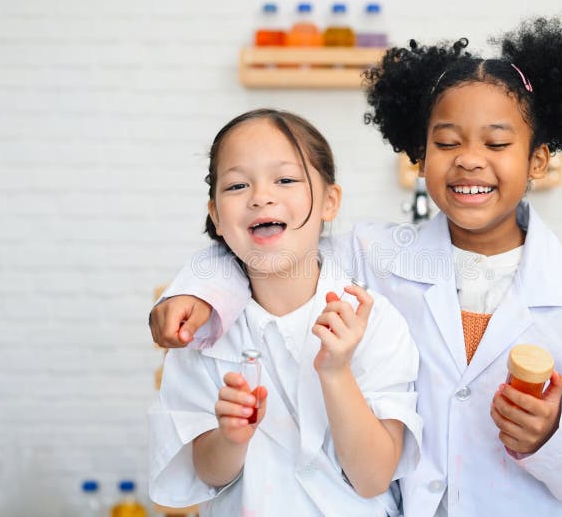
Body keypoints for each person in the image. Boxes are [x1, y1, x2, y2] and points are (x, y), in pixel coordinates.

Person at [150, 17, 562, 516]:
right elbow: (269, 247)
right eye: (446, 143)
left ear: (538, 161)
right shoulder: (375, 255)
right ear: (419, 157)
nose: (469, 160)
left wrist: (555, 431)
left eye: (498, 144)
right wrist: (196, 293)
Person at [148, 109, 422, 516]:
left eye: (286, 179)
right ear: (217, 217)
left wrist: (336, 371)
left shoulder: (375, 321)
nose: (261, 196)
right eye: (238, 185)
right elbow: (208, 472)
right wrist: (231, 437)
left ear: (330, 201)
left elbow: (373, 477)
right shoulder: (203, 336)